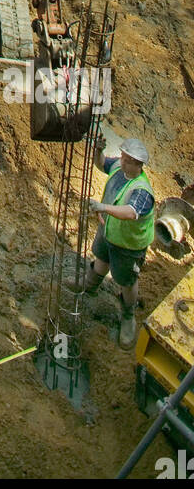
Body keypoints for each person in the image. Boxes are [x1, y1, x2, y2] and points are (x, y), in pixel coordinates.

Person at [85, 136, 154, 349]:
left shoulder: (141, 191)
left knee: (126, 280)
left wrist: (103, 208)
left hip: (128, 246)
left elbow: (131, 213)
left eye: (127, 160)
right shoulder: (119, 168)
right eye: (122, 157)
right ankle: (90, 286)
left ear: (138, 164)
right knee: (101, 258)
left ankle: (128, 316)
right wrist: (98, 151)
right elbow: (101, 163)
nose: (121, 161)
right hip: (109, 232)